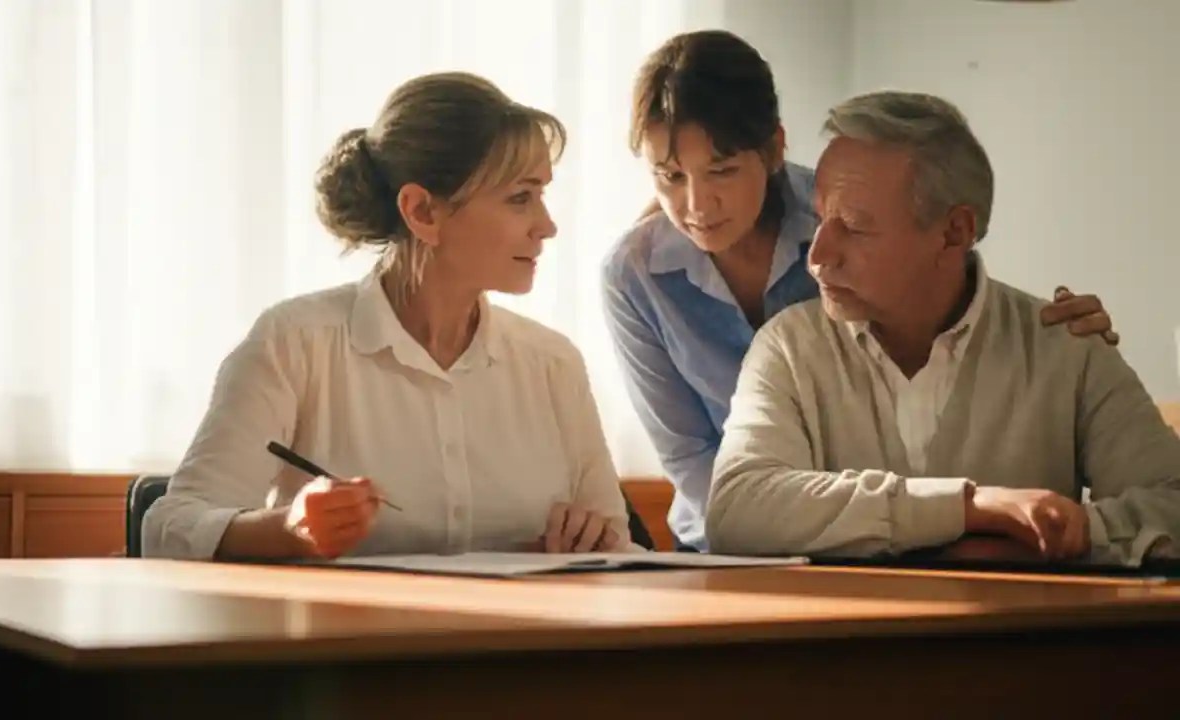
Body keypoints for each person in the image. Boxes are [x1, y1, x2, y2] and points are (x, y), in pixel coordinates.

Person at [602, 30, 1119, 552]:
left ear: (776, 148)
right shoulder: (634, 275)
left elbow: (945, 295)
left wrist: (1057, 339)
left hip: (896, 533)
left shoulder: (847, 205)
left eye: (723, 171)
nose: (697, 205)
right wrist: (778, 520)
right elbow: (692, 458)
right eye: (668, 176)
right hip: (736, 539)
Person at [144, 72, 634, 560]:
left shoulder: (553, 363)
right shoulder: (294, 342)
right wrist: (288, 527)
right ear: (422, 211)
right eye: (520, 198)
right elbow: (168, 527)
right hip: (350, 638)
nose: (547, 227)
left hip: (526, 637)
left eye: (542, 195)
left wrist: (588, 541)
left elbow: (617, 546)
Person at [708, 91, 1180, 566]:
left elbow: (1172, 500)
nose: (817, 256)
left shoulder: (1066, 346)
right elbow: (738, 509)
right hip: (844, 638)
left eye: (852, 226)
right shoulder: (787, 347)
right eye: (819, 219)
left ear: (955, 231)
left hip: (1021, 640)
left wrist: (1067, 532)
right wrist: (971, 510)